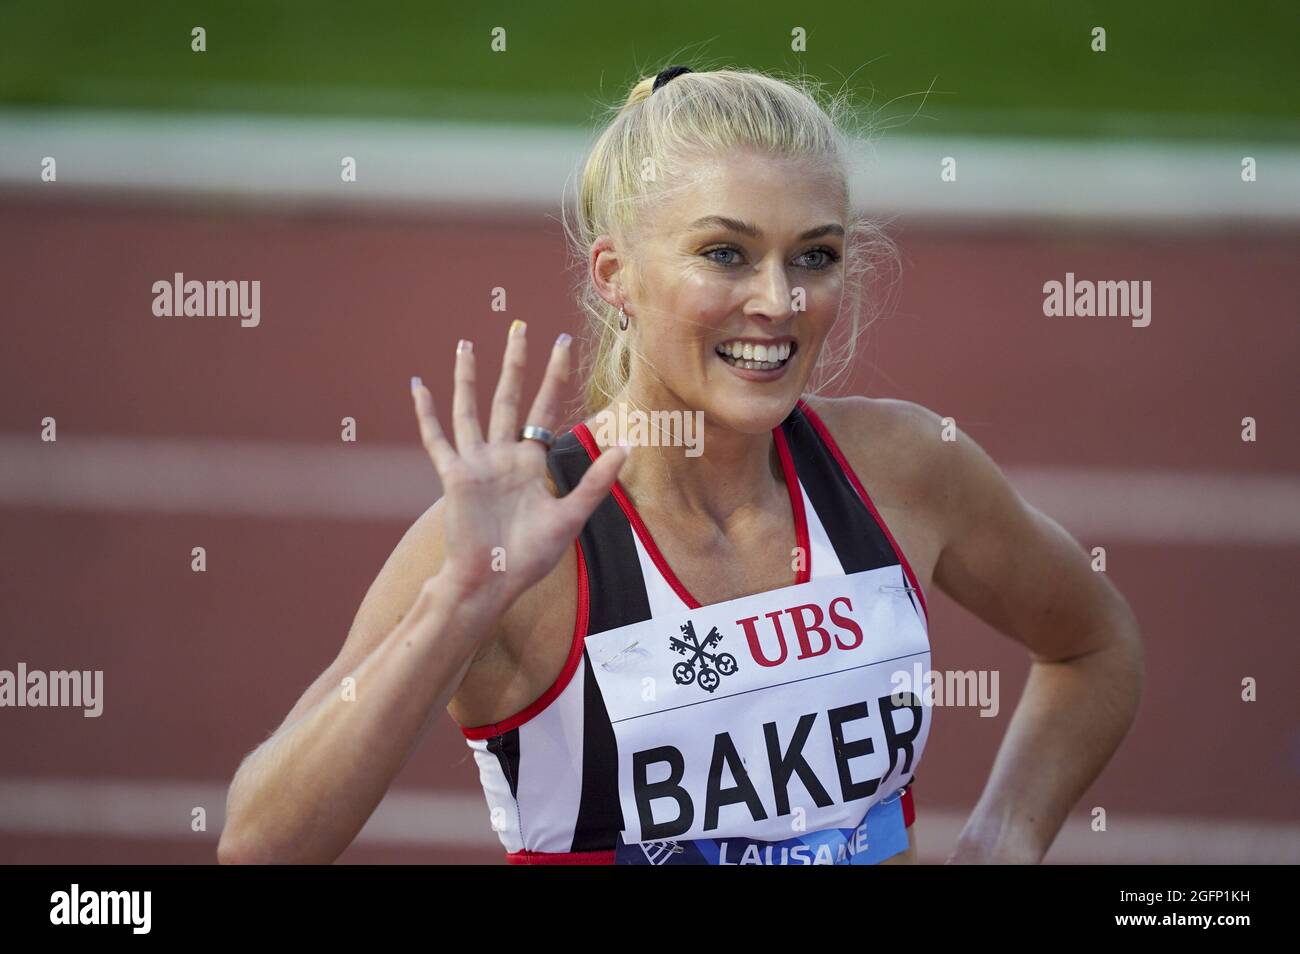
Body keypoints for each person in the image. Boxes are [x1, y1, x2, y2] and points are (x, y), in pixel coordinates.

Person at [217, 65, 1143, 866]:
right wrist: (458, 601)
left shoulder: (905, 468)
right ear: (615, 274)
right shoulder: (526, 536)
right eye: (725, 254)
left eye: (812, 257)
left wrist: (1005, 836)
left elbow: (1094, 644)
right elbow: (260, 843)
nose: (777, 302)